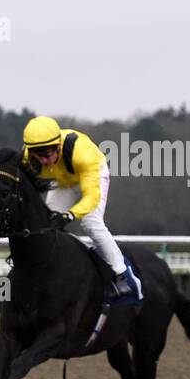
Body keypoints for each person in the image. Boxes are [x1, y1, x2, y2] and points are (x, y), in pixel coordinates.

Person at [22, 115, 133, 299]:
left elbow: (91, 197)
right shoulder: (27, 156)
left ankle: (120, 275)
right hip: (64, 180)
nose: (43, 162)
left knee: (90, 222)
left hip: (93, 175)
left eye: (48, 155)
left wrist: (69, 215)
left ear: (58, 146)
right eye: (38, 156)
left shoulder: (82, 153)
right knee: (46, 224)